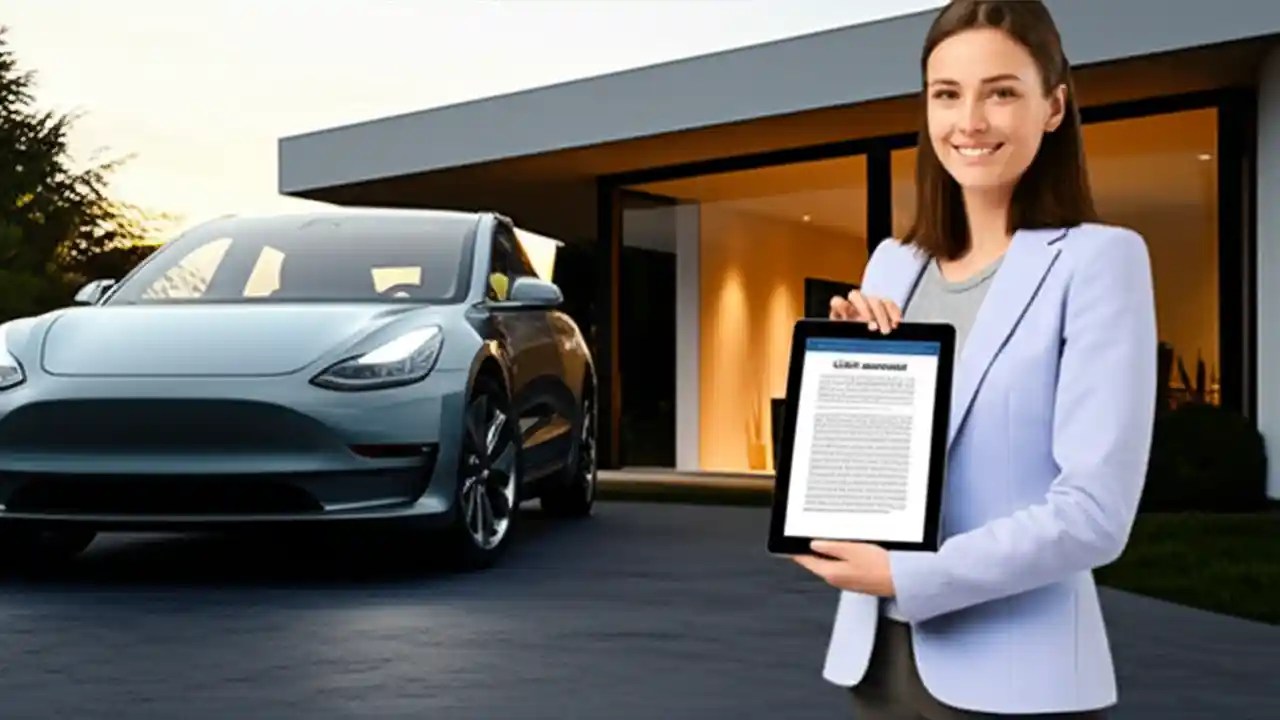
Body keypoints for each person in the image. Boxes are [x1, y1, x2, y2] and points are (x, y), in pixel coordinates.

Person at [791, 1, 1157, 718]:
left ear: (1053, 106)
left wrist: (907, 574)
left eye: (1001, 92)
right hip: (878, 663)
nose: (971, 122)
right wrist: (838, 376)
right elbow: (873, 476)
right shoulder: (893, 266)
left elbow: (1093, 514)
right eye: (947, 94)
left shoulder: (1099, 261)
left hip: (1021, 678)